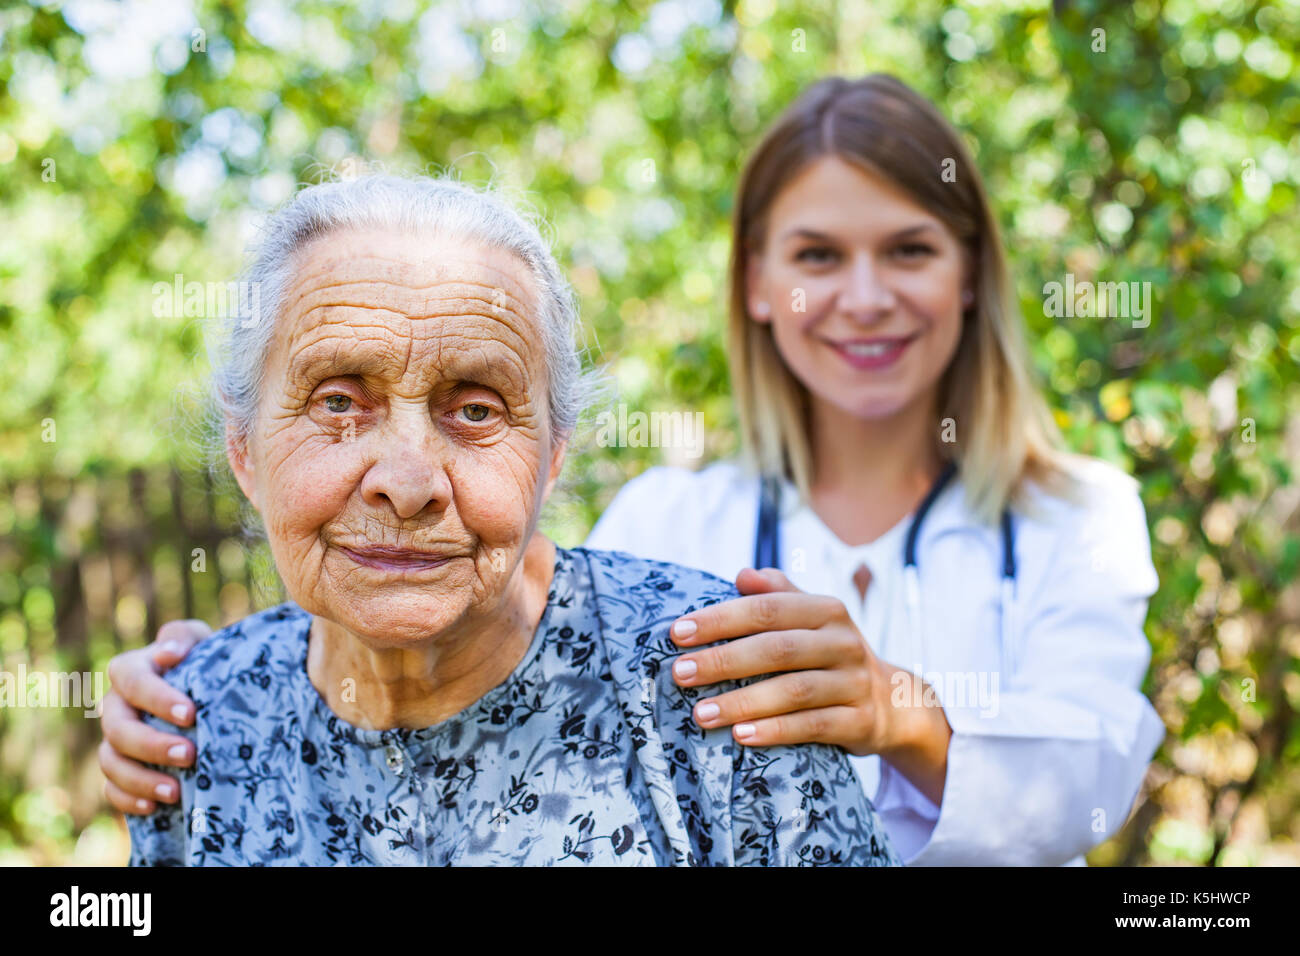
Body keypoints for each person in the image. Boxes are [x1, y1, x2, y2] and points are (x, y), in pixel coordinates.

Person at [107, 74, 1165, 866]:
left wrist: (899, 713)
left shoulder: (1075, 513)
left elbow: (1098, 770)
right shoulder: (669, 511)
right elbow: (480, 610)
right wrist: (219, 676)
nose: (863, 296)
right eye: (816, 256)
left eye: (908, 250)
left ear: (971, 273)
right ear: (755, 283)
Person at [125, 172, 900, 866]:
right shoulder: (193, 721)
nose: (407, 483)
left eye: (474, 408)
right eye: (337, 403)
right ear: (245, 451)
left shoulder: (724, 698)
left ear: (554, 453)